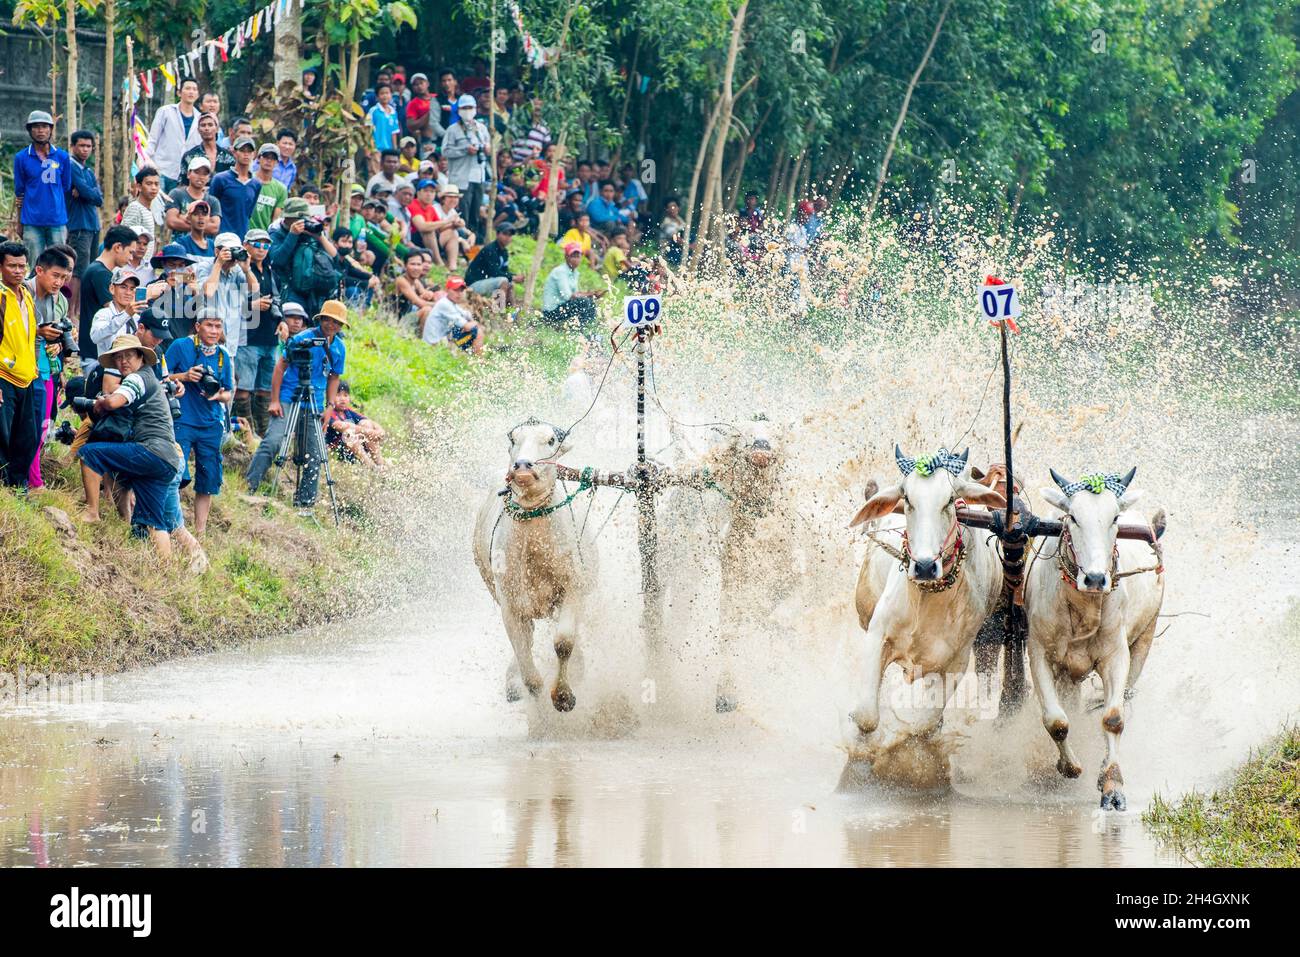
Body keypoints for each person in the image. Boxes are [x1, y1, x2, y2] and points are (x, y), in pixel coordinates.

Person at [77, 334, 195, 561]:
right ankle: (166, 572)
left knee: (88, 453)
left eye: (128, 356)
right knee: (155, 522)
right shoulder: (150, 378)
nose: (123, 362)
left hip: (152, 451)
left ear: (140, 356)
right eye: (118, 358)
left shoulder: (137, 379)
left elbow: (113, 402)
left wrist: (101, 402)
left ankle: (92, 512)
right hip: (168, 461)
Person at [246, 299, 349, 509]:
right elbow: (279, 367)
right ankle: (250, 485)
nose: (332, 326)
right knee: (273, 442)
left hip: (315, 402)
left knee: (314, 453)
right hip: (288, 397)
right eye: (329, 320)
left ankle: (305, 503)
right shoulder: (303, 338)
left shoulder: (339, 347)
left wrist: (330, 407)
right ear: (322, 319)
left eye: (337, 323)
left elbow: (334, 377)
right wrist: (274, 400)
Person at [165, 310, 233, 534]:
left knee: (208, 478)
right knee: (176, 473)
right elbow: (162, 376)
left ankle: (200, 532)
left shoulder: (223, 355)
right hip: (182, 419)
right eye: (209, 325)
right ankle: (174, 525)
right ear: (197, 326)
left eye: (218, 326)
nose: (214, 331)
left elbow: (228, 393)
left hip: (211, 422)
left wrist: (216, 395)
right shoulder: (180, 346)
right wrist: (184, 376)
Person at [24, 245, 74, 489]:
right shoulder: (23, 292)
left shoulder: (60, 300)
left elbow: (56, 336)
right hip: (22, 368)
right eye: (55, 275)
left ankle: (33, 477)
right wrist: (38, 331)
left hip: (47, 368)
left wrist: (57, 347)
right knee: (29, 425)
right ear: (39, 270)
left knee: (43, 424)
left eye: (63, 277)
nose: (59, 282)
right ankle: (30, 480)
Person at [0, 243, 41, 488]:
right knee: (3, 437)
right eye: (12, 266)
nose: (18, 271)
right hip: (4, 376)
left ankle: (18, 486)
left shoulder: (26, 294)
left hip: (26, 376)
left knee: (27, 437)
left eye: (22, 266)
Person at [237, 228, 284, 436]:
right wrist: (251, 305)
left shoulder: (270, 270)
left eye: (266, 245)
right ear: (245, 245)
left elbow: (276, 299)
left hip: (270, 336)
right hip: (248, 336)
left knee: (266, 387)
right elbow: (229, 301)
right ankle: (246, 433)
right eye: (257, 244)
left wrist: (281, 320)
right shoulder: (239, 270)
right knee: (244, 387)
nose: (262, 249)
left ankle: (263, 432)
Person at [12, 111, 73, 264]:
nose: (40, 131)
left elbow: (66, 186)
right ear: (30, 130)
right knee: (34, 265)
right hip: (32, 221)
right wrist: (20, 223)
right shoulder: (21, 157)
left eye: (44, 126)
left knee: (59, 264)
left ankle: (56, 290)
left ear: (51, 130)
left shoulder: (62, 156)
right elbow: (20, 192)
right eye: (36, 127)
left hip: (57, 220)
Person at [78, 224, 138, 367]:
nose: (131, 258)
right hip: (97, 354)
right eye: (130, 252)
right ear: (117, 247)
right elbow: (117, 310)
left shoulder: (98, 270)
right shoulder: (101, 274)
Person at [268, 198, 339, 315]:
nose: (303, 222)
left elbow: (335, 259)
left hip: (313, 289)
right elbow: (277, 261)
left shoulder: (309, 232)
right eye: (299, 219)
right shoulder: (276, 233)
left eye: (305, 219)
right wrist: (292, 235)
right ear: (287, 218)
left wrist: (320, 237)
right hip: (290, 289)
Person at [195, 232, 258, 358]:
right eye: (229, 250)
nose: (232, 255)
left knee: (228, 376)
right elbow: (208, 292)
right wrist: (218, 264)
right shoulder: (206, 266)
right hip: (209, 337)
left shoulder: (237, 270)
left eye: (236, 250)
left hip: (232, 340)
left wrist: (247, 270)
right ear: (217, 251)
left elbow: (254, 290)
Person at [440, 94, 490, 241]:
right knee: (464, 210)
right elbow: (445, 151)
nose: (468, 111)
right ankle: (462, 240)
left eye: (470, 107)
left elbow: (489, 146)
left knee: (476, 209)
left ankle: (475, 240)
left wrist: (487, 149)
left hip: (479, 175)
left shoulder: (481, 128)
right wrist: (464, 151)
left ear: (475, 109)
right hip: (461, 176)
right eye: (464, 108)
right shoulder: (453, 129)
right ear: (459, 110)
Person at [66, 130, 104, 312]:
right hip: (79, 225)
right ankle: (72, 312)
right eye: (81, 145)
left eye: (88, 146)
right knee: (78, 270)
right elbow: (89, 192)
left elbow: (98, 198)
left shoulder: (87, 171)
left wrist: (86, 192)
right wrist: (86, 192)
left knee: (88, 269)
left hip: (92, 224)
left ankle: (79, 311)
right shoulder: (70, 166)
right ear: (72, 146)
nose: (85, 149)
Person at [147, 78, 203, 190]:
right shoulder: (165, 112)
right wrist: (147, 162)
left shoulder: (200, 119)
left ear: (197, 94)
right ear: (179, 92)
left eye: (194, 89)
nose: (191, 92)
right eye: (187, 88)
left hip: (185, 176)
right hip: (162, 170)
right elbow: (153, 139)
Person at [542, 243, 604, 328]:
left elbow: (576, 294)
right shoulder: (560, 272)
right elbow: (568, 296)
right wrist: (590, 294)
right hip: (552, 311)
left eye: (578, 256)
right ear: (566, 257)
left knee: (590, 302)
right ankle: (581, 330)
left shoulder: (574, 272)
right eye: (573, 256)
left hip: (562, 307)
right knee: (584, 302)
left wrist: (591, 295)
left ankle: (590, 328)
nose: (576, 259)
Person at [209, 138, 260, 240]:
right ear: (234, 152)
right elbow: (211, 208)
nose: (246, 154)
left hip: (242, 237)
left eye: (249, 151)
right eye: (242, 150)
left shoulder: (256, 184)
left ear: (254, 154)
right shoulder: (220, 179)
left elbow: (248, 213)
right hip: (221, 237)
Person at [464, 222, 522, 311]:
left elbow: (504, 271)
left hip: (486, 282)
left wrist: (515, 276)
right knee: (504, 281)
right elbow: (494, 273)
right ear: (497, 234)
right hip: (473, 285)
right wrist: (513, 277)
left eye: (510, 235)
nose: (507, 237)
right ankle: (497, 311)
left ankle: (511, 312)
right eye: (505, 234)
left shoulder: (504, 252)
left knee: (510, 284)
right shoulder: (490, 249)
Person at [325, 381, 385, 467]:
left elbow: (371, 422)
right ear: (330, 397)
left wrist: (380, 431)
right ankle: (370, 466)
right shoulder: (329, 413)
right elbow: (341, 426)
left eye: (345, 395)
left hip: (357, 448)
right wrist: (370, 432)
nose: (342, 399)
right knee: (348, 433)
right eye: (338, 395)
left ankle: (380, 464)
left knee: (366, 423)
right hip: (340, 451)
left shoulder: (348, 412)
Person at [421, 276, 484, 354]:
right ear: (447, 290)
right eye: (455, 290)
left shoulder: (452, 303)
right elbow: (467, 326)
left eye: (461, 290)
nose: (459, 294)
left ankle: (472, 356)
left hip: (439, 340)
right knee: (477, 331)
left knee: (463, 328)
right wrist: (476, 324)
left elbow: (467, 315)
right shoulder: (445, 304)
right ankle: (479, 361)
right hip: (433, 345)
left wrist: (471, 322)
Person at [89, 267, 143, 355]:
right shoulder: (104, 314)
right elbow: (95, 337)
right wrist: (126, 315)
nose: (128, 293)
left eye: (132, 289)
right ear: (112, 289)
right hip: (109, 367)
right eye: (123, 287)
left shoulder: (137, 317)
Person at [165, 157, 223, 237]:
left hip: (203, 247)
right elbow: (171, 222)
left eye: (205, 174)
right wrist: (202, 223)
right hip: (179, 245)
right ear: (188, 174)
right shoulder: (176, 194)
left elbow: (214, 228)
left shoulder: (213, 201)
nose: (201, 176)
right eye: (197, 172)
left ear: (209, 178)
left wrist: (183, 218)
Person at [121, 166, 165, 268]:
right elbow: (125, 237)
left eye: (156, 184)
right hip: (132, 266)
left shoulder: (149, 210)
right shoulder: (135, 208)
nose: (153, 187)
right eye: (149, 184)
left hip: (143, 265)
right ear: (139, 187)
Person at [248, 143, 289, 232]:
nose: (269, 160)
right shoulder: (248, 180)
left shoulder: (281, 189)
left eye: (273, 158)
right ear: (258, 158)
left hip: (264, 237)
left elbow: (275, 220)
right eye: (266, 156)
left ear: (277, 163)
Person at [366, 82, 401, 164]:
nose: (385, 95)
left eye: (387, 93)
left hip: (388, 151)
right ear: (377, 97)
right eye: (382, 93)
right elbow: (367, 130)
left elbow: (394, 133)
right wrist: (367, 149)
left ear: (391, 95)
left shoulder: (393, 112)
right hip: (375, 149)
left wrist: (394, 150)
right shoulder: (373, 111)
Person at [659, 197, 686, 266]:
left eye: (674, 206)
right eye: (670, 207)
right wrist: (689, 245)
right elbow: (676, 239)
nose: (672, 209)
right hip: (669, 250)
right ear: (667, 210)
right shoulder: (666, 222)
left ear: (678, 208)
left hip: (681, 246)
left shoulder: (680, 220)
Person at [435, 69, 460, 134]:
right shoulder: (436, 100)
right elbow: (434, 123)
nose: (447, 83)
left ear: (455, 82)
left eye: (449, 80)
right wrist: (447, 136)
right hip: (443, 138)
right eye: (444, 81)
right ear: (440, 84)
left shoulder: (461, 100)